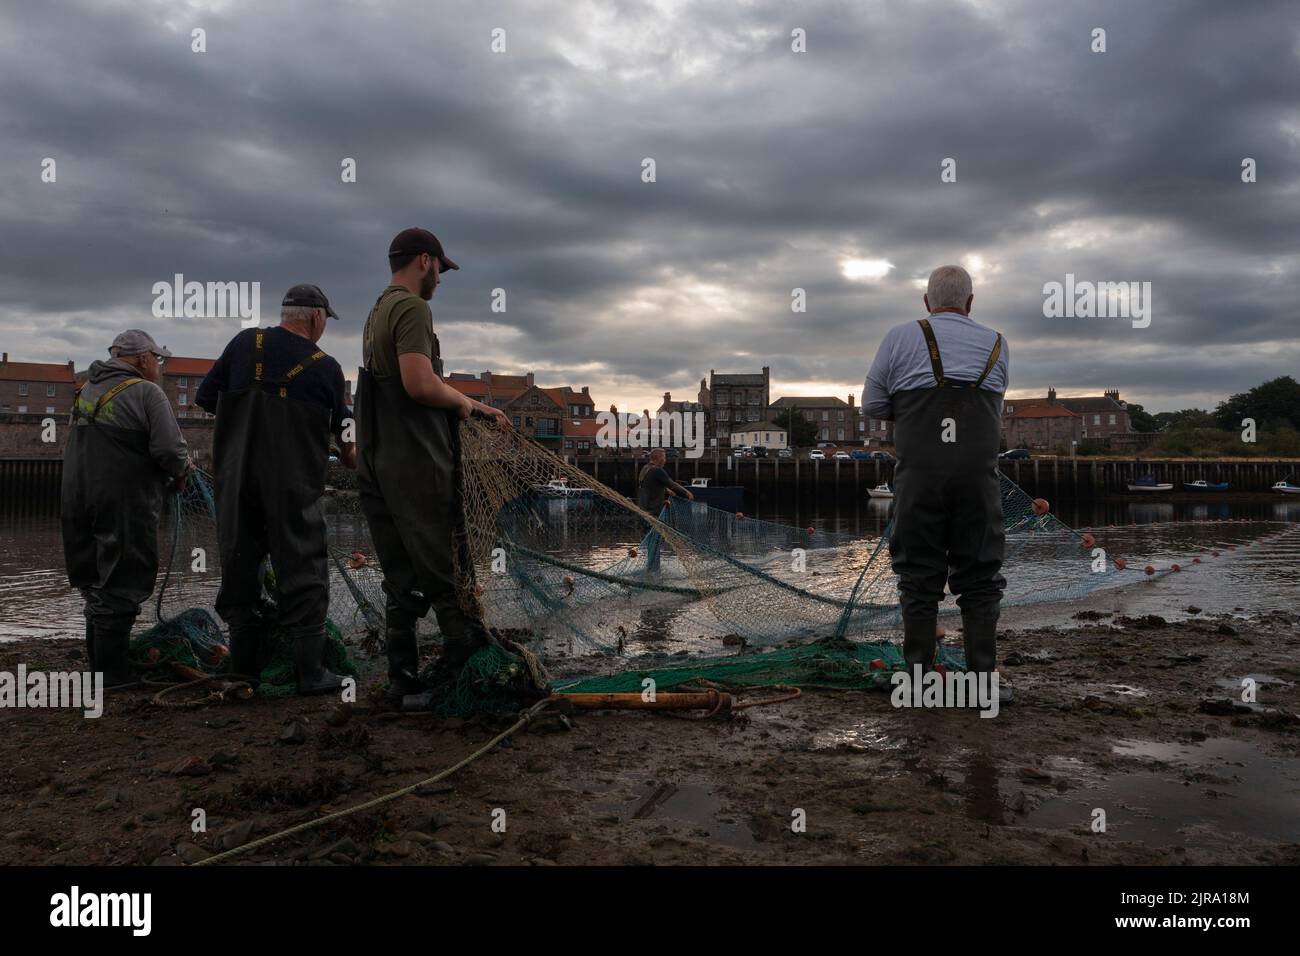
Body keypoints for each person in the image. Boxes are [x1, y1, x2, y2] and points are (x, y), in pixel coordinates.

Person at [356, 227, 509, 706]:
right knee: (446, 566)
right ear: (425, 261)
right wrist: (466, 403)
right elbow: (420, 385)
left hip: (379, 462)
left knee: (400, 574)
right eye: (440, 269)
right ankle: (464, 671)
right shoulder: (412, 308)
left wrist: (469, 404)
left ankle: (402, 681)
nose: (440, 279)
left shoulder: (376, 310)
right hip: (416, 461)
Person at [196, 285, 356, 694]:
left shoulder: (244, 342)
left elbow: (206, 398)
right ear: (317, 318)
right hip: (292, 484)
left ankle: (244, 669)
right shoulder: (327, 367)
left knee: (239, 564)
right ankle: (311, 673)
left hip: (235, 481)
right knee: (302, 568)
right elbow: (348, 441)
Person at [863, 264, 1011, 695]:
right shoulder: (998, 343)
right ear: (970, 303)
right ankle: (983, 680)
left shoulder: (900, 336)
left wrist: (912, 410)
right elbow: (994, 407)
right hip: (978, 478)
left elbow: (872, 405)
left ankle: (918, 677)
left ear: (927, 302)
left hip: (920, 475)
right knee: (981, 574)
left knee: (918, 573)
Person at [62, 330, 191, 686]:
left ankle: (102, 670)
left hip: (76, 500)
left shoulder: (86, 389)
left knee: (94, 584)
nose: (159, 367)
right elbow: (169, 449)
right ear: (143, 359)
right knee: (121, 582)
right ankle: (113, 677)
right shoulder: (147, 392)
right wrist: (181, 471)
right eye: (158, 360)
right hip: (121, 502)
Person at [636, 447, 693, 572]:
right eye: (664, 457)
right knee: (655, 544)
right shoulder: (657, 470)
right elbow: (671, 483)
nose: (665, 460)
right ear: (658, 458)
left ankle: (651, 571)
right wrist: (687, 492)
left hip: (643, 512)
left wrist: (666, 490)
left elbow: (649, 484)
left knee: (651, 544)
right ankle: (655, 573)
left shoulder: (645, 469)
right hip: (653, 513)